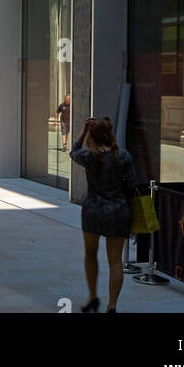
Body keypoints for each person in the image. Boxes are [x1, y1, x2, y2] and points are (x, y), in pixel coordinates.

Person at [70, 116, 136, 313]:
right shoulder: (123, 156)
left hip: (93, 211)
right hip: (118, 211)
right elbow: (132, 185)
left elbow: (73, 152)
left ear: (93, 135)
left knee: (90, 254)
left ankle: (93, 296)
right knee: (115, 261)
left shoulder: (89, 156)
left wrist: (84, 131)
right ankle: (112, 304)